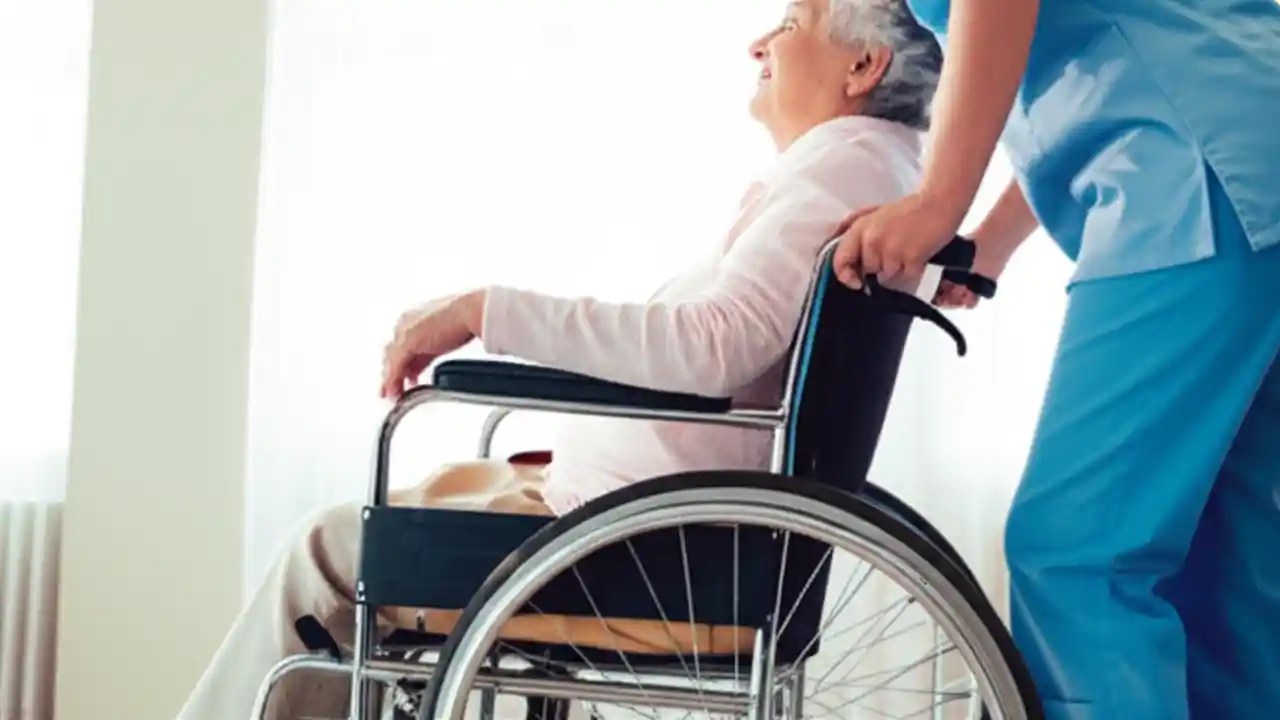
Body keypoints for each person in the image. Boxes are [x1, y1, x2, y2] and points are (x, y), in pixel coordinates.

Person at [177, 2, 945, 717]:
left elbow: (713, 346)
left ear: (863, 65)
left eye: (792, 19)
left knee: (325, 555)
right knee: (362, 534)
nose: (761, 42)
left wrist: (487, 310)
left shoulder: (839, 172)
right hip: (624, 515)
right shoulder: (866, 168)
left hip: (636, 543)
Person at [830, 0, 1280, 717]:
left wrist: (937, 201)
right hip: (1241, 156)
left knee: (1077, 553)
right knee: (1221, 569)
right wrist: (991, 240)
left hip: (1195, 177)